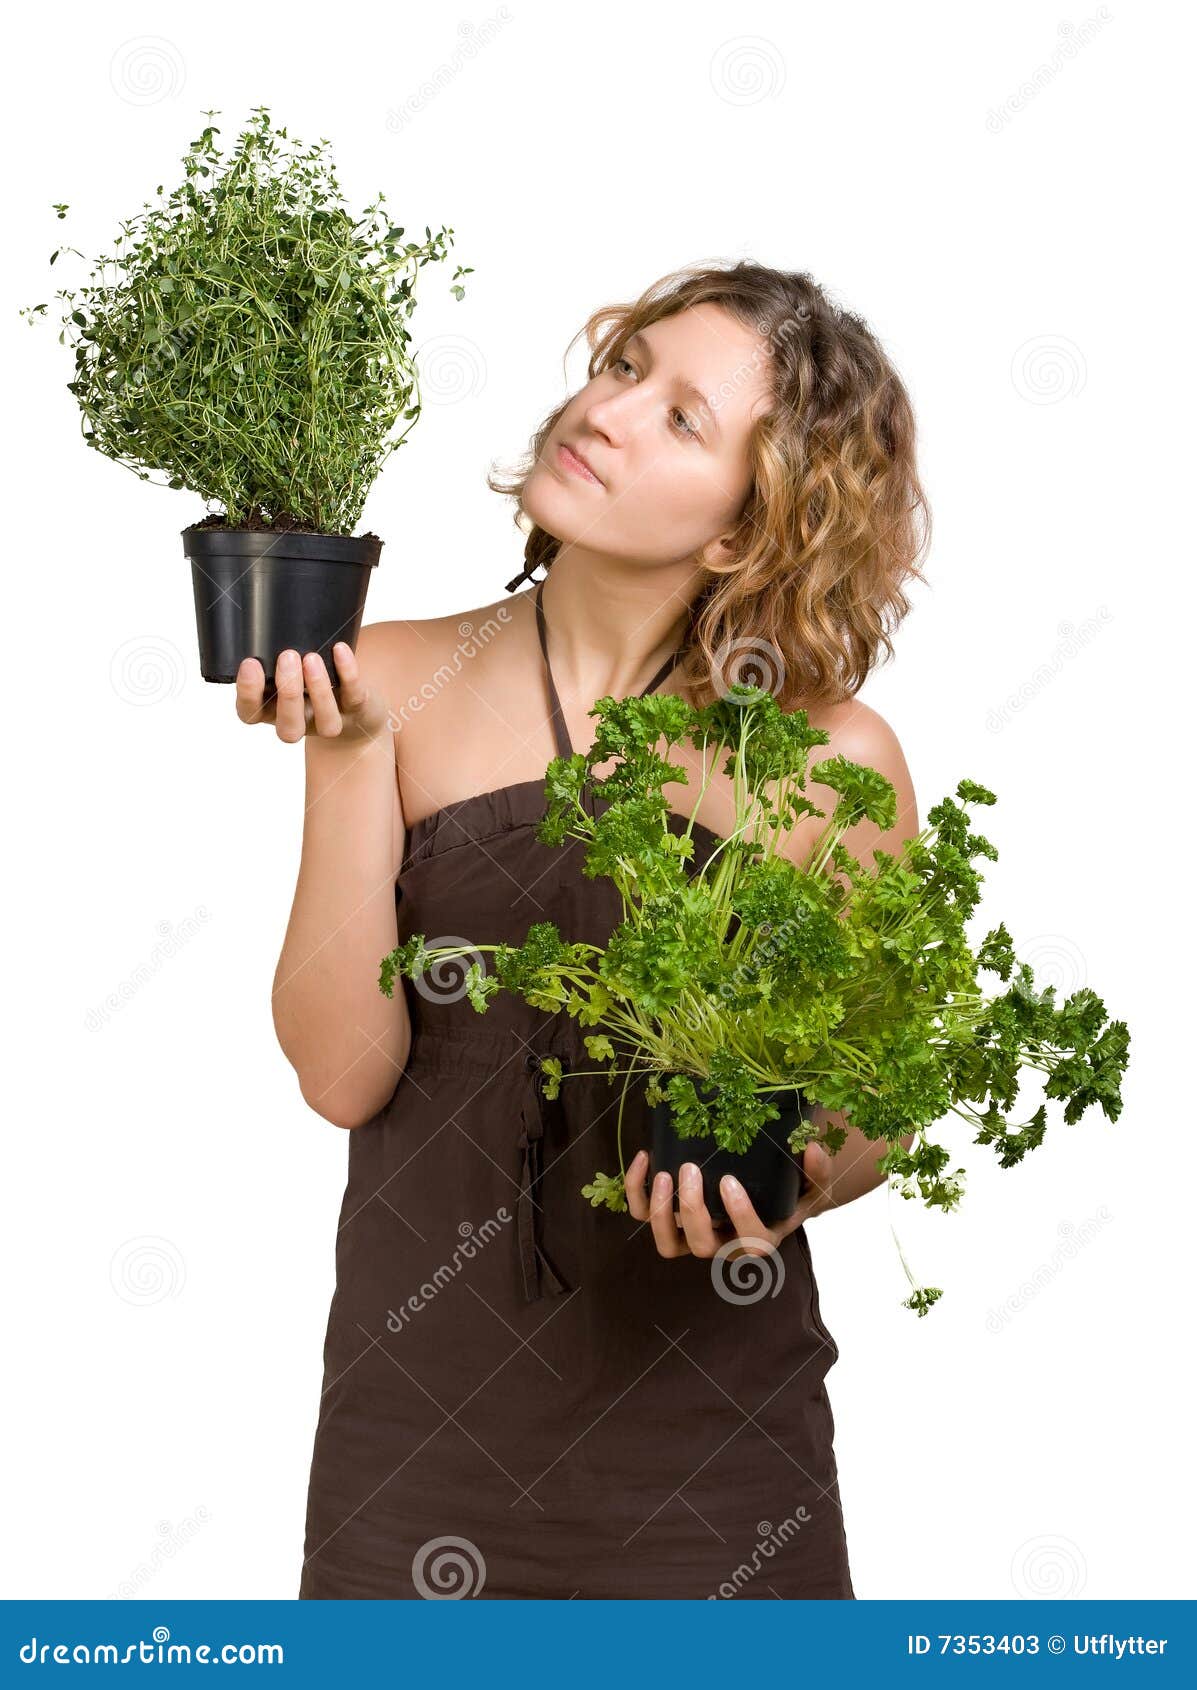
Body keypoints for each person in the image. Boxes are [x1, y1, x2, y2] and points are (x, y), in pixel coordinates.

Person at [241, 260, 926, 1599]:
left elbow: (872, 1115)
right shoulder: (389, 677)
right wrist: (345, 757)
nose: (605, 411)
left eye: (682, 417)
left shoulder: (836, 759)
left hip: (717, 1464)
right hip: (419, 1442)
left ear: (743, 528)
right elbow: (342, 1073)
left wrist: (773, 1182)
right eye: (624, 366)